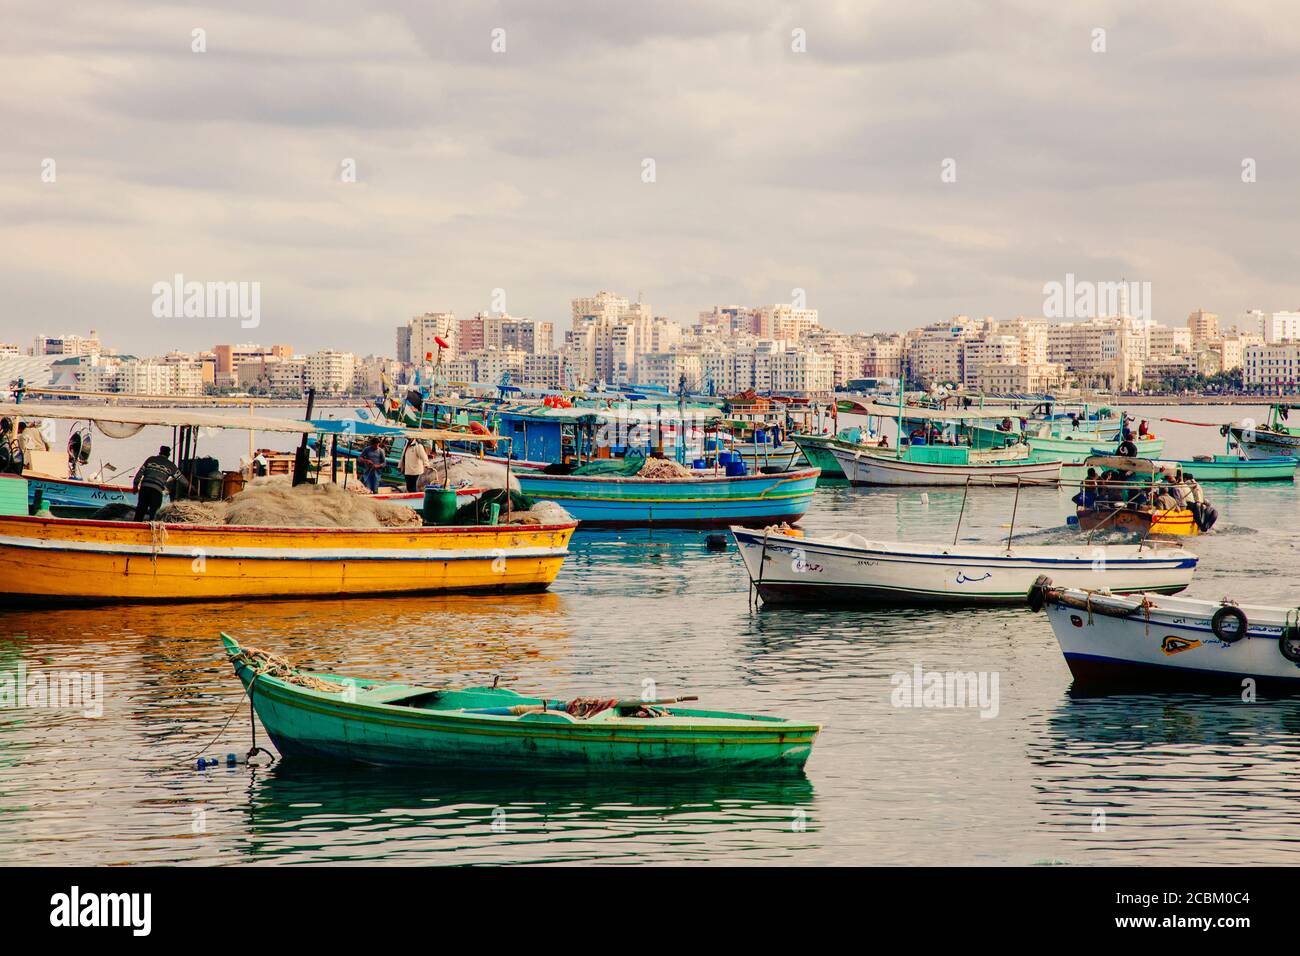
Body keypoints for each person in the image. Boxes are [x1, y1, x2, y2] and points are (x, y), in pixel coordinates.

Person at [132, 446, 185, 522]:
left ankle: (135, 527)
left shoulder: (150, 459)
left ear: (160, 452)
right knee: (154, 514)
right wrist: (191, 486)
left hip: (144, 489)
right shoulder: (171, 465)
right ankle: (152, 529)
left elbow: (139, 474)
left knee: (140, 511)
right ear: (168, 454)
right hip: (156, 491)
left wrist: (135, 486)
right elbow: (181, 478)